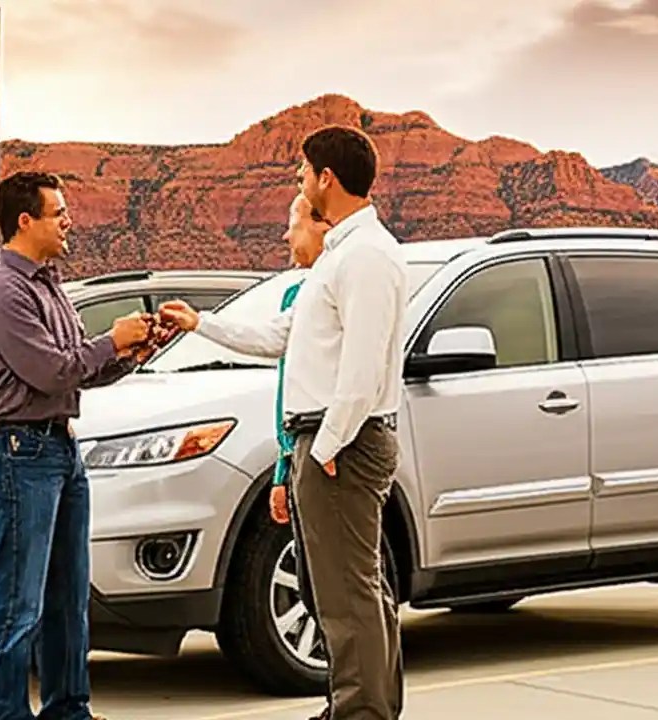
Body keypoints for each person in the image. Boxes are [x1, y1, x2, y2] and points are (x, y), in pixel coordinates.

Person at [160, 125, 407, 720]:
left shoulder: (368, 256)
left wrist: (326, 446)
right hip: (328, 439)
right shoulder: (341, 255)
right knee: (350, 587)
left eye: (302, 172)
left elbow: (364, 368)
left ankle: (362, 712)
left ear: (327, 177)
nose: (299, 182)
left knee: (348, 593)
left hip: (342, 442)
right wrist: (202, 325)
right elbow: (281, 337)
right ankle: (360, 704)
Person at [0, 170, 159, 720]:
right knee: (18, 600)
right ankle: (6, 713)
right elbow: (51, 372)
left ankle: (69, 709)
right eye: (58, 212)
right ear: (25, 221)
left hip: (59, 451)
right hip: (20, 454)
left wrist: (131, 353)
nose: (69, 221)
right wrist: (112, 339)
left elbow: (79, 370)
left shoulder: (48, 283)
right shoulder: (2, 292)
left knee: (69, 597)